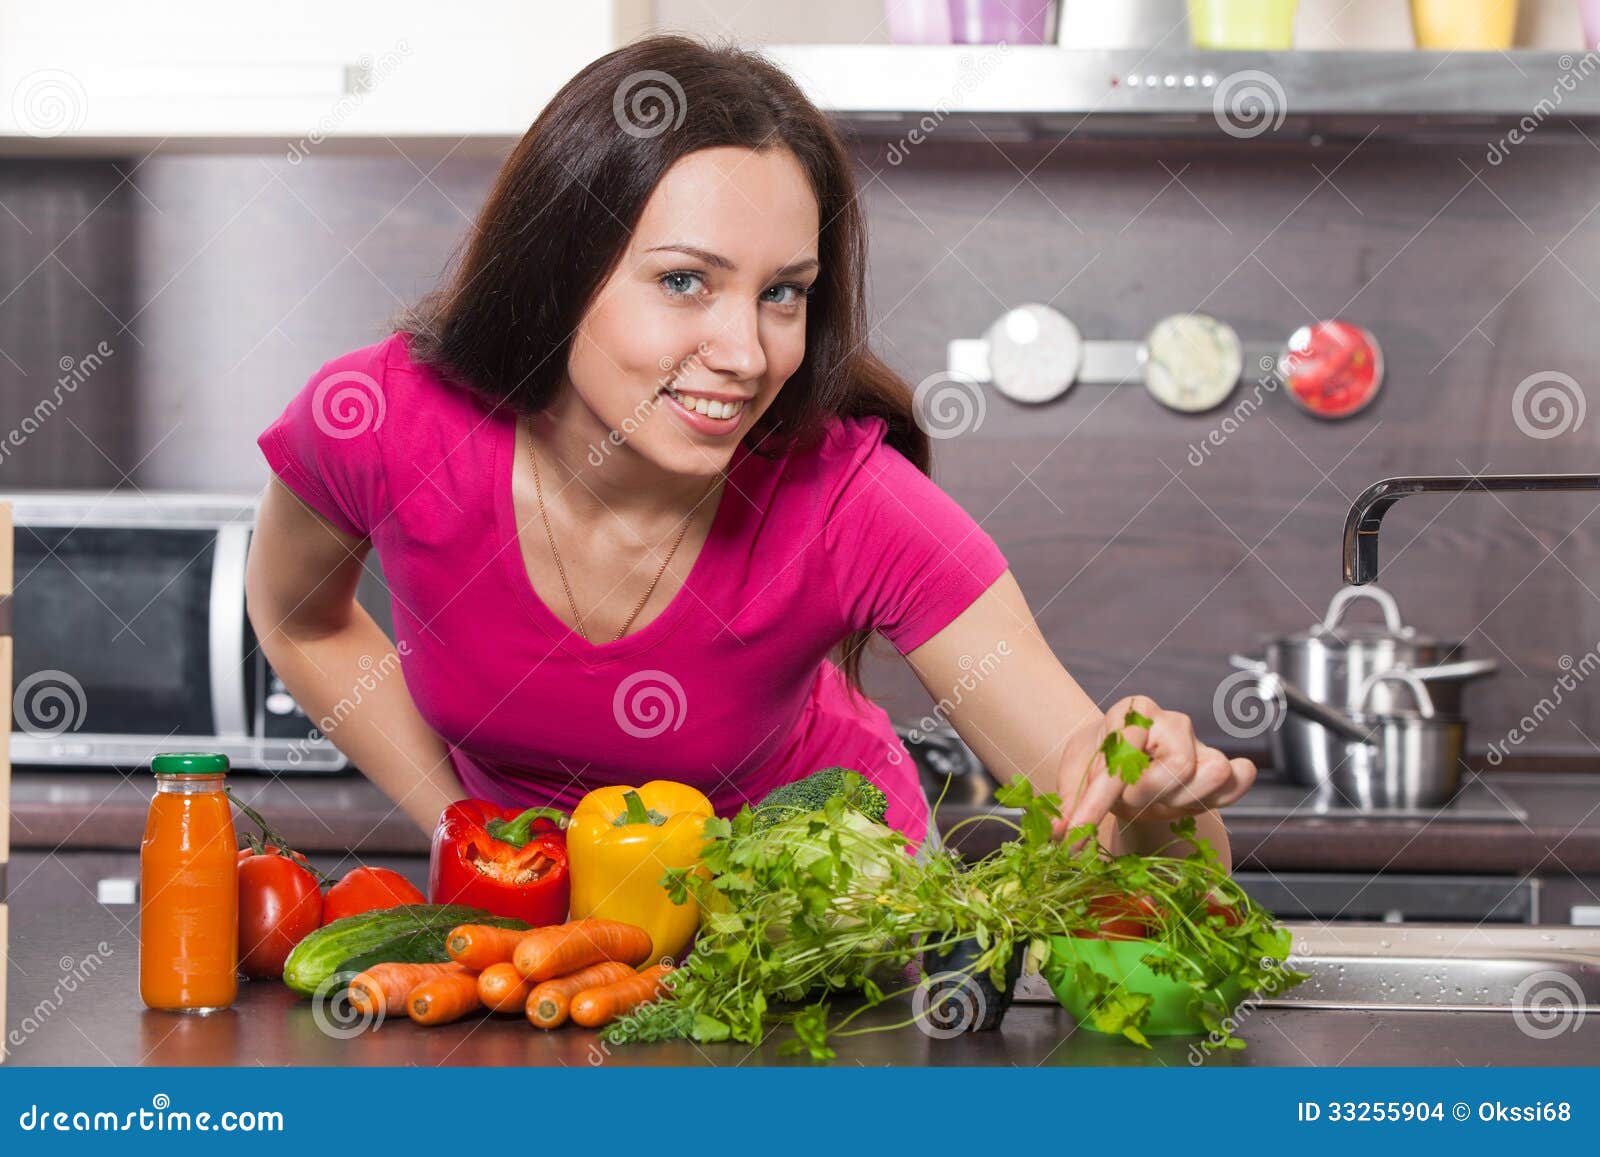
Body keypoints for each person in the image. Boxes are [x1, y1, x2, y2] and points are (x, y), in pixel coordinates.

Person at [245, 34, 1255, 867]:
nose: (745, 353)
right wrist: (456, 820)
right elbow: (299, 617)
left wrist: (1155, 792)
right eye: (685, 281)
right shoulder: (377, 418)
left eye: (783, 292)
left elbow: (1098, 785)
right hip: (540, 938)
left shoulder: (848, 500)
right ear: (559, 270)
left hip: (811, 960)